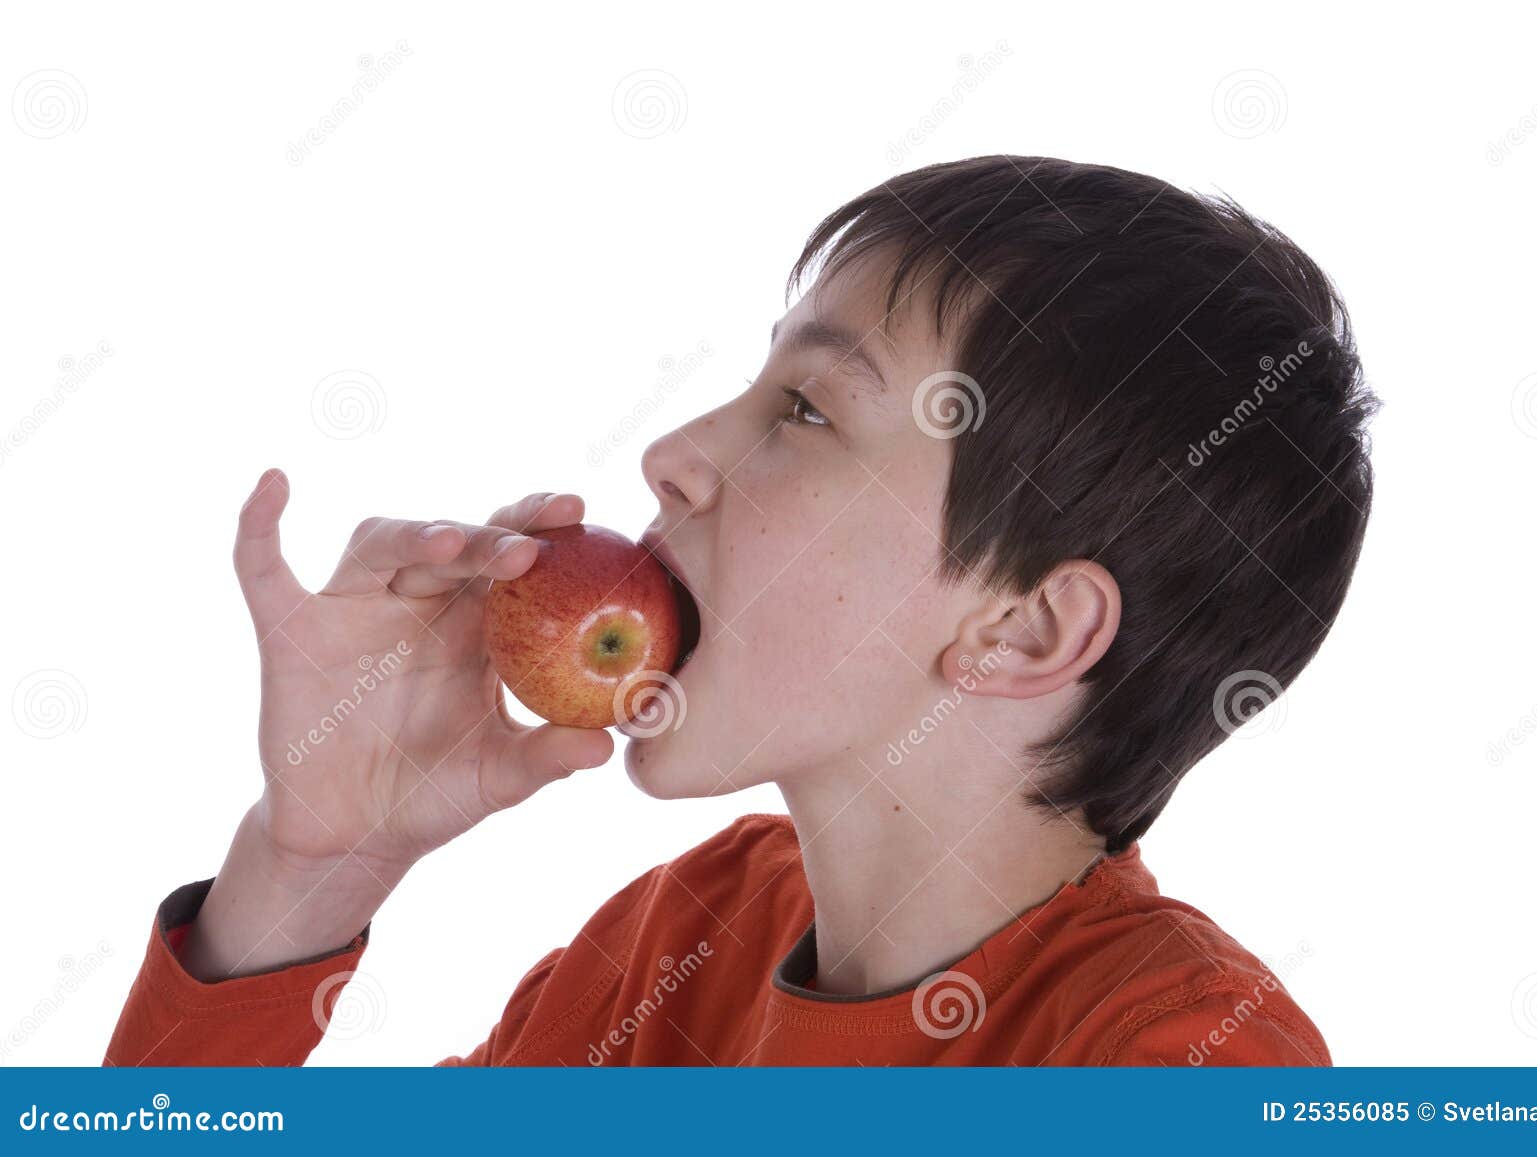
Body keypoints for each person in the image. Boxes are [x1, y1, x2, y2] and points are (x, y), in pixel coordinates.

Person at [106, 155, 1373, 1066]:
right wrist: (308, 873)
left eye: (807, 410)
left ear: (1024, 630)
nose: (671, 454)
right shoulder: (683, 935)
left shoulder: (1181, 1057)